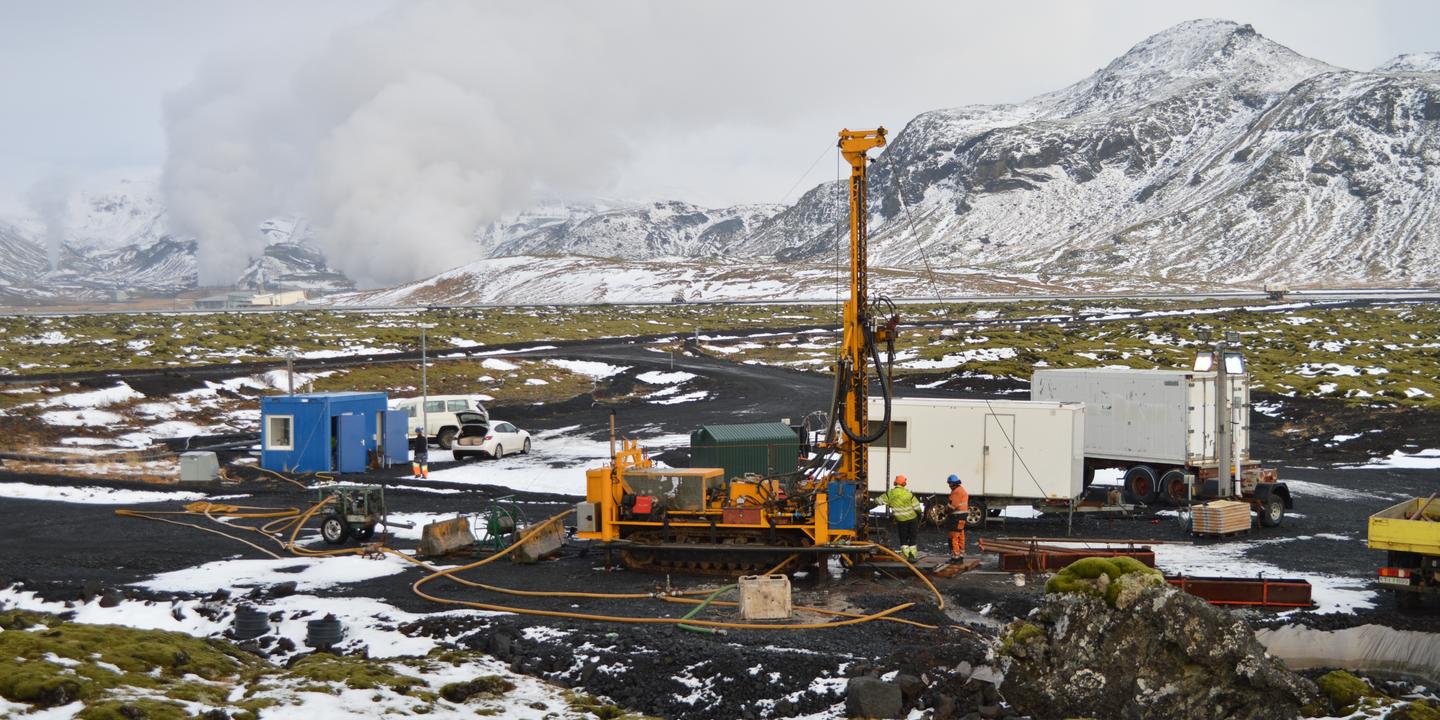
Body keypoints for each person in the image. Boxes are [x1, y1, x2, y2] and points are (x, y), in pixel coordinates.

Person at [878, 475, 923, 561]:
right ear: (904, 484)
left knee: (903, 539)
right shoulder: (908, 493)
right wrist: (919, 515)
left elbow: (878, 501)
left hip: (901, 521)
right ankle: (913, 556)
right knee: (912, 538)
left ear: (895, 483)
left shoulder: (890, 494)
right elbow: (917, 507)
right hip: (913, 519)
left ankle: (907, 556)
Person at [947, 474, 969, 561]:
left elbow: (952, 506)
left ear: (953, 483)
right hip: (962, 517)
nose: (949, 485)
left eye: (949, 483)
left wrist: (945, 511)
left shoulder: (956, 492)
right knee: (960, 535)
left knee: (953, 536)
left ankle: (955, 556)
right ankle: (961, 553)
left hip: (956, 517)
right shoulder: (961, 490)